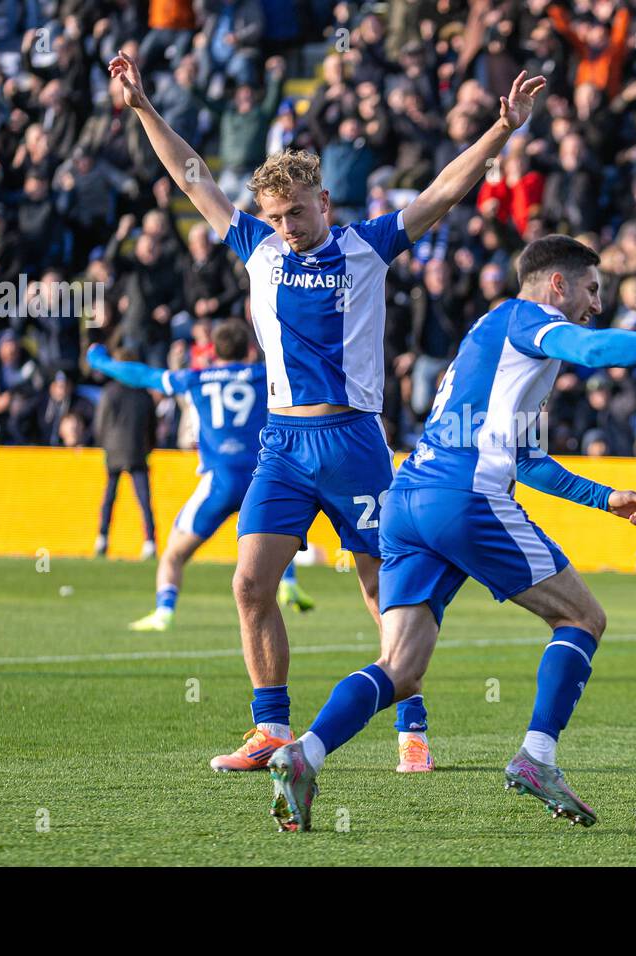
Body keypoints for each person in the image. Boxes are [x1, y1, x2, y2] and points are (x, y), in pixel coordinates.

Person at [107, 51, 546, 775]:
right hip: (282, 441)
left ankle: (411, 723)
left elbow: (441, 192)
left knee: (382, 591)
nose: (287, 227)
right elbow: (193, 176)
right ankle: (271, 730)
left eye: (298, 213)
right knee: (250, 584)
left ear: (325, 204)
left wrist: (500, 131)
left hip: (353, 441)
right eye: (277, 217)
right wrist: (146, 109)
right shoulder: (255, 247)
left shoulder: (368, 247)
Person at [265, 235, 636, 831]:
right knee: (582, 619)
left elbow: (526, 457)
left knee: (401, 667)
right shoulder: (532, 320)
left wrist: (605, 498)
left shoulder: (489, 336)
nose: (596, 303)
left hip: (408, 498)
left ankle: (303, 752)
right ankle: (537, 757)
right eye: (592, 289)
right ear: (557, 285)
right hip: (465, 499)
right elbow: (593, 350)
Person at [87, 320, 315, 631]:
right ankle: (287, 581)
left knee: (173, 554)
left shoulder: (195, 378)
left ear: (213, 350)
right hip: (260, 477)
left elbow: (142, 375)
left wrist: (99, 360)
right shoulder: (265, 374)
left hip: (219, 481)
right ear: (249, 349)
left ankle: (164, 612)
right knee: (272, 540)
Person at [93, 351, 158, 561]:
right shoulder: (144, 394)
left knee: (109, 497)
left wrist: (103, 445)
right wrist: (150, 448)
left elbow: (100, 424)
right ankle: (150, 541)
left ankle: (102, 538)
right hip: (137, 450)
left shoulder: (109, 391)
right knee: (144, 499)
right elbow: (152, 427)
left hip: (113, 450)